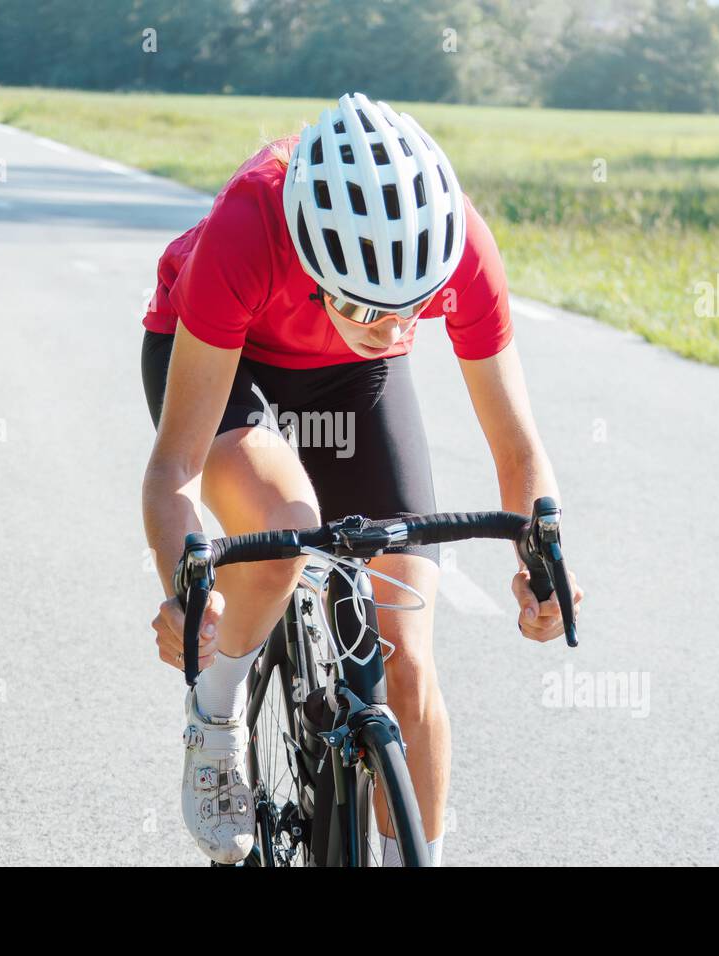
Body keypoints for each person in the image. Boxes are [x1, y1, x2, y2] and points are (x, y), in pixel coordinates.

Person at [141, 92, 582, 865]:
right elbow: (174, 468)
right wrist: (187, 587)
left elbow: (518, 451)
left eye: (413, 310)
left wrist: (542, 562)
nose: (398, 329)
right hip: (227, 360)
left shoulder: (459, 246)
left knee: (406, 655)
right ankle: (215, 717)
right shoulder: (247, 228)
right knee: (283, 528)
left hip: (355, 382)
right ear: (312, 259)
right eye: (370, 308)